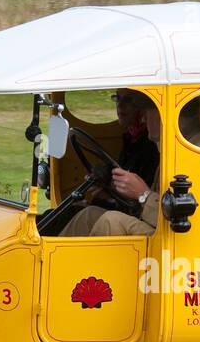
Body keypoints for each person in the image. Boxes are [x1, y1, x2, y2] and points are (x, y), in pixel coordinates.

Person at [63, 91, 161, 236]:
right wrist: (108, 193)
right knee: (87, 214)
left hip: (161, 229)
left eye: (129, 101)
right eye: (118, 99)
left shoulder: (152, 148)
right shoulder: (133, 139)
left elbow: (167, 213)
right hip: (143, 213)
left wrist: (143, 195)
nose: (120, 105)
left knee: (111, 220)